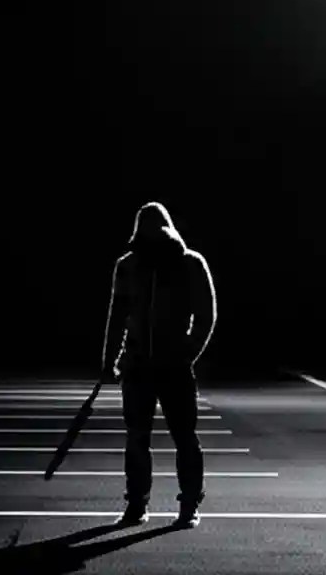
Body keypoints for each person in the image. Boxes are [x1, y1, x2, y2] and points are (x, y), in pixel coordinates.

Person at [101, 202, 216, 528]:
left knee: (184, 437)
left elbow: (206, 316)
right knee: (137, 437)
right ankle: (137, 504)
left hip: (174, 366)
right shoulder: (128, 266)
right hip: (137, 366)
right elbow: (117, 316)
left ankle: (189, 504)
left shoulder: (190, 264)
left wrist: (188, 353)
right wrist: (109, 360)